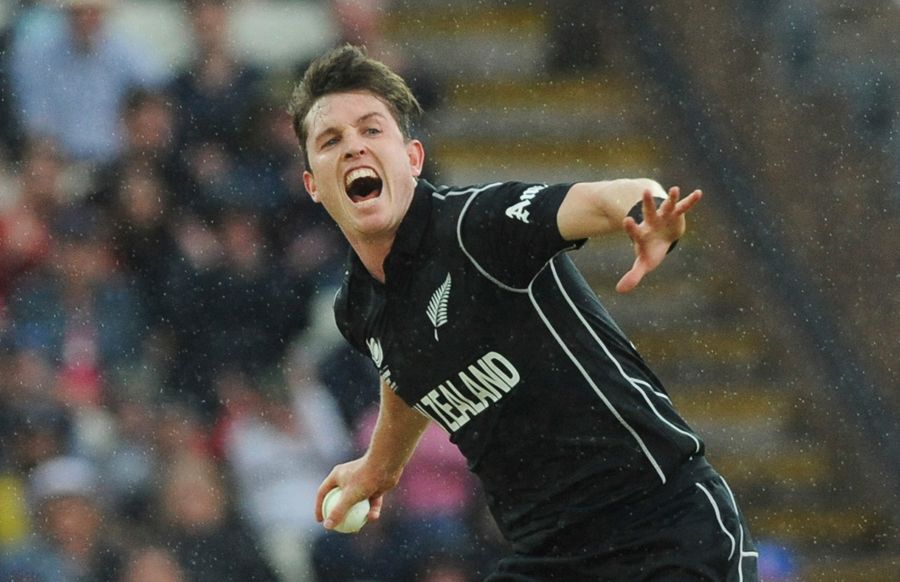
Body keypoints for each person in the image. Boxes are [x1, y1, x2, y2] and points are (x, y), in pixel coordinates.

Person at [288, 45, 758, 581]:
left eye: (372, 130)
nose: (353, 147)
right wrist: (380, 465)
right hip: (551, 557)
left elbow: (605, 198)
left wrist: (648, 214)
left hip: (664, 528)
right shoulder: (356, 307)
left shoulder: (480, 227)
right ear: (313, 186)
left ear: (413, 157)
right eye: (331, 141)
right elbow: (408, 364)